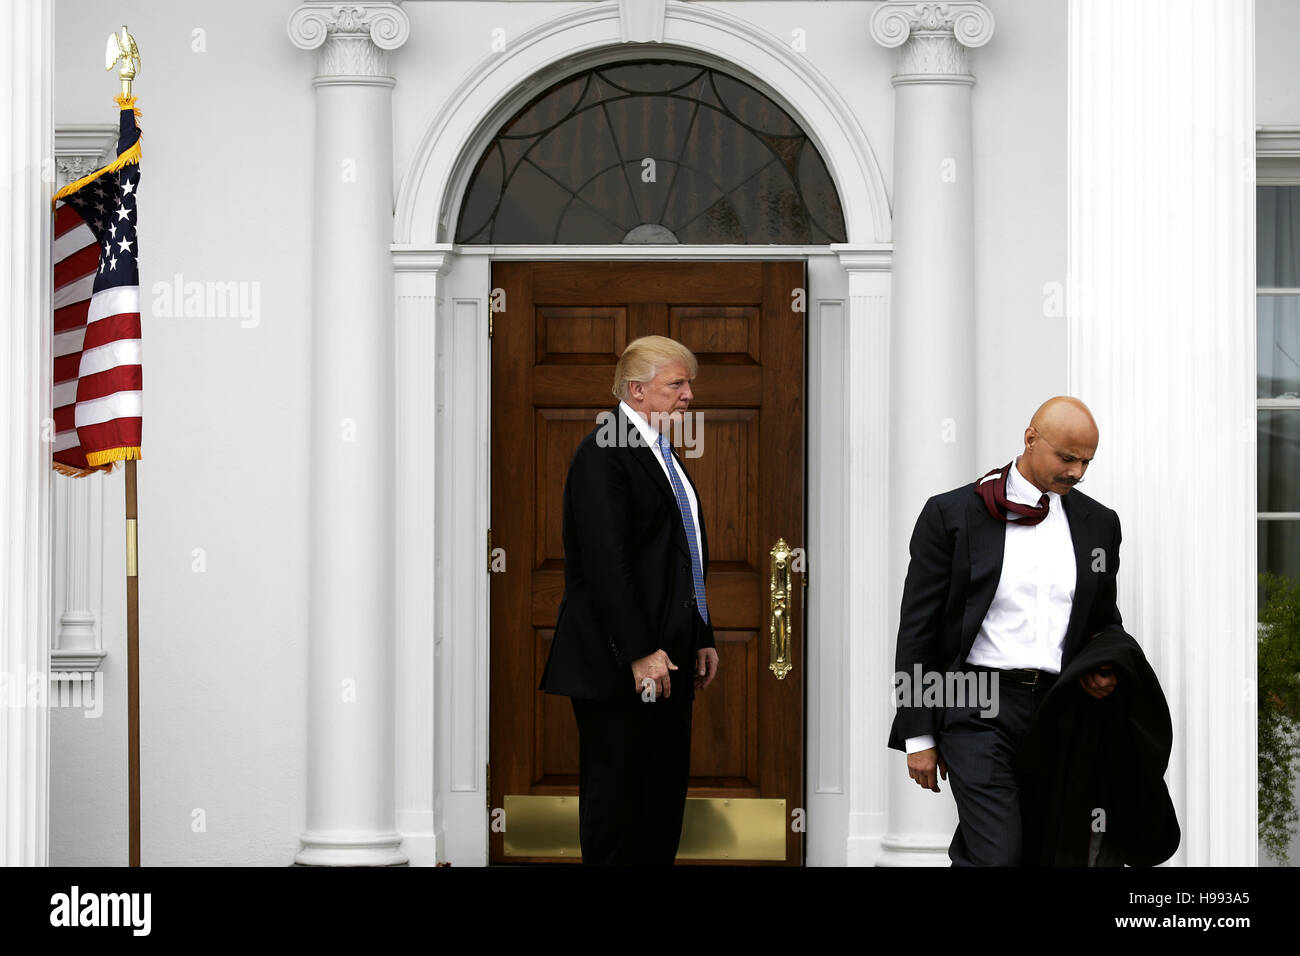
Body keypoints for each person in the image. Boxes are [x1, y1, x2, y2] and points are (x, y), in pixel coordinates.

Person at [888, 396, 1124, 866]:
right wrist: (919, 735)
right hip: (975, 705)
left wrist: (1107, 663)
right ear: (1031, 439)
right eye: (1067, 458)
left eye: (1087, 462)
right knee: (999, 854)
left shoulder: (1099, 524)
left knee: (1047, 850)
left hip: (1060, 709)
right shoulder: (951, 514)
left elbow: (1103, 619)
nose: (1077, 473)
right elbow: (918, 628)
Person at [539, 335, 719, 866]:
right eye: (676, 385)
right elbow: (606, 564)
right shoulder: (604, 452)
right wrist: (640, 651)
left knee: (660, 805)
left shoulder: (661, 453)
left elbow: (681, 554)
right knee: (618, 807)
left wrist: (701, 634)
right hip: (619, 665)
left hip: (671, 659)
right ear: (637, 391)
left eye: (689, 384)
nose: (689, 396)